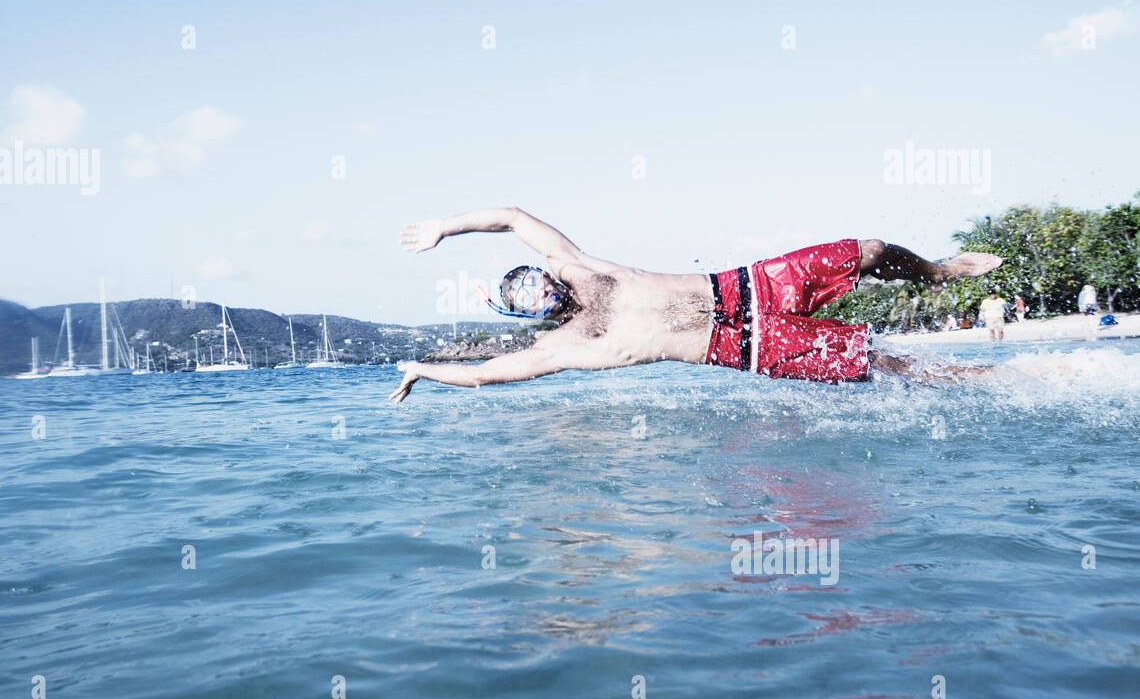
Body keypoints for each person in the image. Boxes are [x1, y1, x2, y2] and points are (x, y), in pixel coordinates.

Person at [389, 207, 1004, 402]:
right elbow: (481, 375)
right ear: (526, 315)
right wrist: (421, 370)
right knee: (879, 363)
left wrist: (448, 226)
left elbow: (514, 217)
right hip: (743, 346)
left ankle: (935, 272)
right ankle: (981, 382)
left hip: (747, 286)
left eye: (531, 278)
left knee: (865, 250)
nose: (540, 290)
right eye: (524, 297)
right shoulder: (561, 347)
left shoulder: (580, 268)